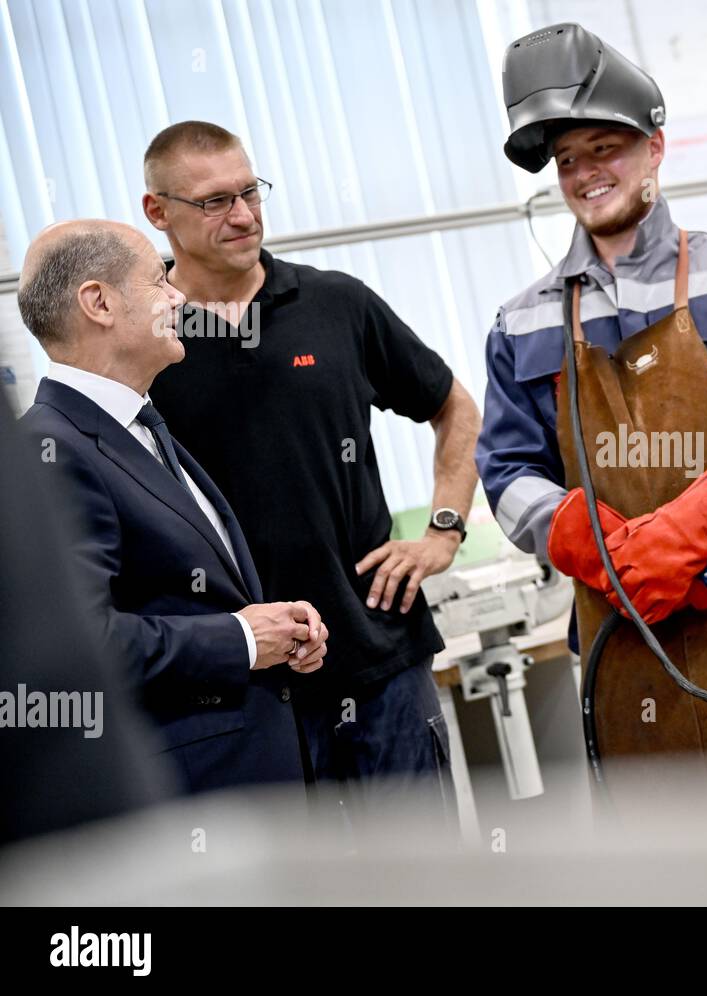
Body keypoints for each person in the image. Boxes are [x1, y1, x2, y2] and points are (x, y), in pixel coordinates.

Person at [476, 24, 707, 759]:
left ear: (654, 147)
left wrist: (687, 534)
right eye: (566, 159)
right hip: (622, 633)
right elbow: (507, 471)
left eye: (603, 148)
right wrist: (603, 550)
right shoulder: (521, 322)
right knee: (669, 859)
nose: (586, 173)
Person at [141, 122, 479, 814]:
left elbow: (456, 409)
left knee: (426, 882)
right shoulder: (145, 338)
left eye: (250, 192)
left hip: (377, 656)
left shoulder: (336, 304)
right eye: (213, 202)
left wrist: (444, 529)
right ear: (158, 212)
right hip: (246, 683)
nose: (242, 216)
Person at [16, 220, 327, 795]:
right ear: (99, 303)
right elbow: (82, 643)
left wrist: (275, 630)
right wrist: (242, 640)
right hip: (187, 797)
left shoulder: (141, 426)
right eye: (158, 282)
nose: (179, 297)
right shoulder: (51, 451)